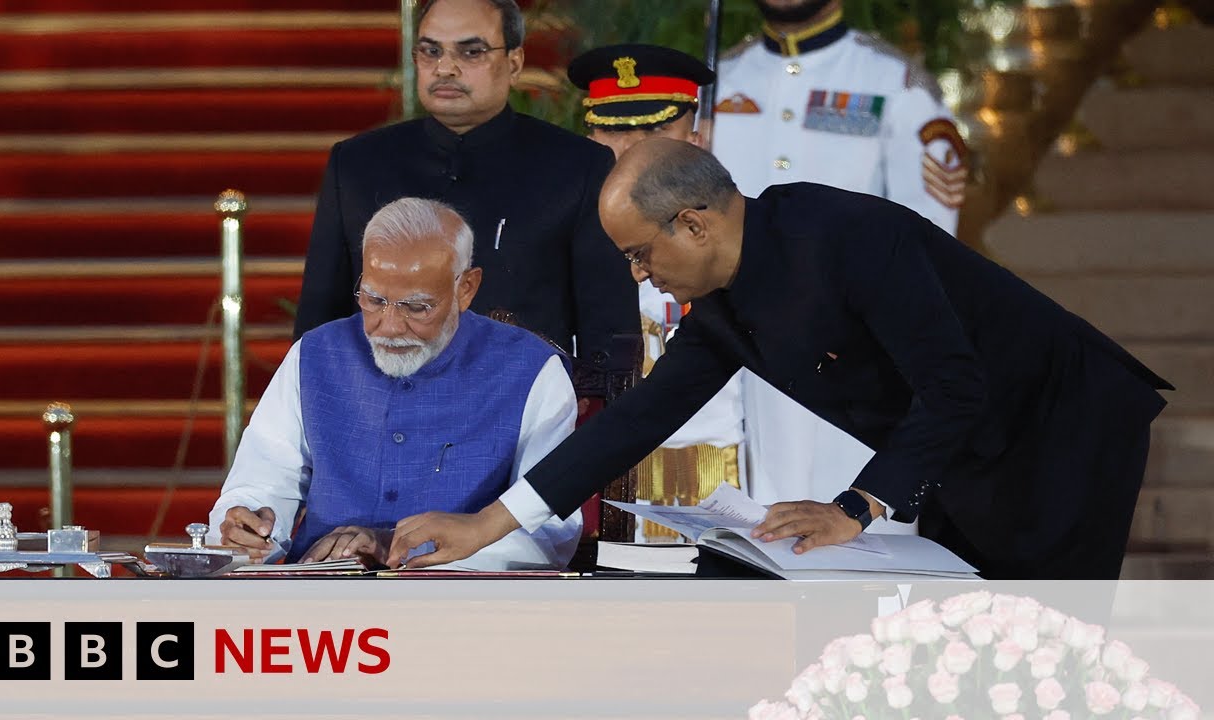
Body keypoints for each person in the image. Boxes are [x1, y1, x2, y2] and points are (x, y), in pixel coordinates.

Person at [386, 139, 1172, 580]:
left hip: (1064, 424)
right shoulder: (723, 304)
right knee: (963, 638)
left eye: (638, 252)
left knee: (1045, 649)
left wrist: (856, 507)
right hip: (962, 449)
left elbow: (954, 387)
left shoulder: (848, 239)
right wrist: (488, 522)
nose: (637, 274)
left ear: (693, 225)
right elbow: (640, 418)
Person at [209, 197, 581, 569]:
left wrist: (407, 553)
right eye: (373, 299)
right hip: (320, 603)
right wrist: (252, 529)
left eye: (416, 307)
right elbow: (264, 479)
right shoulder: (315, 354)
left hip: (464, 609)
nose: (388, 326)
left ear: (466, 288)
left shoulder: (532, 370)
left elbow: (548, 530)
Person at [711, 0, 971, 522]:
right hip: (741, 361)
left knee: (862, 555)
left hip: (858, 363)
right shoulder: (719, 80)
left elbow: (928, 240)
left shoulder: (894, 83)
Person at [293, 0, 637, 378]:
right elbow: (319, 322)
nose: (445, 68)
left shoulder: (578, 166)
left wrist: (596, 428)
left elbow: (609, 331)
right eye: (430, 51)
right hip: (382, 409)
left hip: (527, 412)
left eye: (471, 52)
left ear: (515, 63)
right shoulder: (359, 163)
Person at [568, 43, 747, 538]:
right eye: (615, 130)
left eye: (655, 128)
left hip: (708, 474)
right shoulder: (565, 232)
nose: (635, 148)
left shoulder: (729, 233)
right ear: (589, 135)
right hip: (587, 473)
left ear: (697, 136)